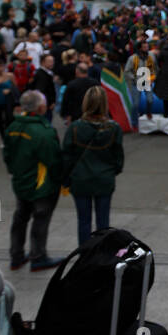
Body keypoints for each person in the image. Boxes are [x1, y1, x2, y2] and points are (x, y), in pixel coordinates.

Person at [3, 89, 63, 272]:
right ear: (41, 107)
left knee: (20, 217)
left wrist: (15, 172)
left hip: (21, 181)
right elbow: (53, 160)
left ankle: (16, 255)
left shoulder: (13, 128)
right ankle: (38, 256)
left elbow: (8, 155)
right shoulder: (42, 132)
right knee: (40, 218)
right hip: (40, 185)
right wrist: (60, 180)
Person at [61, 85, 125, 245]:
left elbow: (67, 157)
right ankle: (101, 254)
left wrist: (65, 179)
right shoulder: (114, 128)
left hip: (81, 179)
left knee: (83, 221)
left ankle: (85, 254)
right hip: (104, 178)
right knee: (103, 222)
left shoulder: (75, 128)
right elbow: (118, 158)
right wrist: (110, 171)